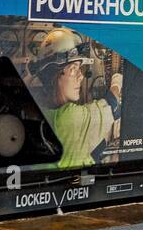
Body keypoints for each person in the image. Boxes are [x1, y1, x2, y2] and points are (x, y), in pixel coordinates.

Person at [30, 28, 119, 169]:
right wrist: (117, 78)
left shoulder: (38, 114)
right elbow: (114, 105)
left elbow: (85, 148)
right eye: (74, 69)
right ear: (55, 74)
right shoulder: (69, 118)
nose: (81, 76)